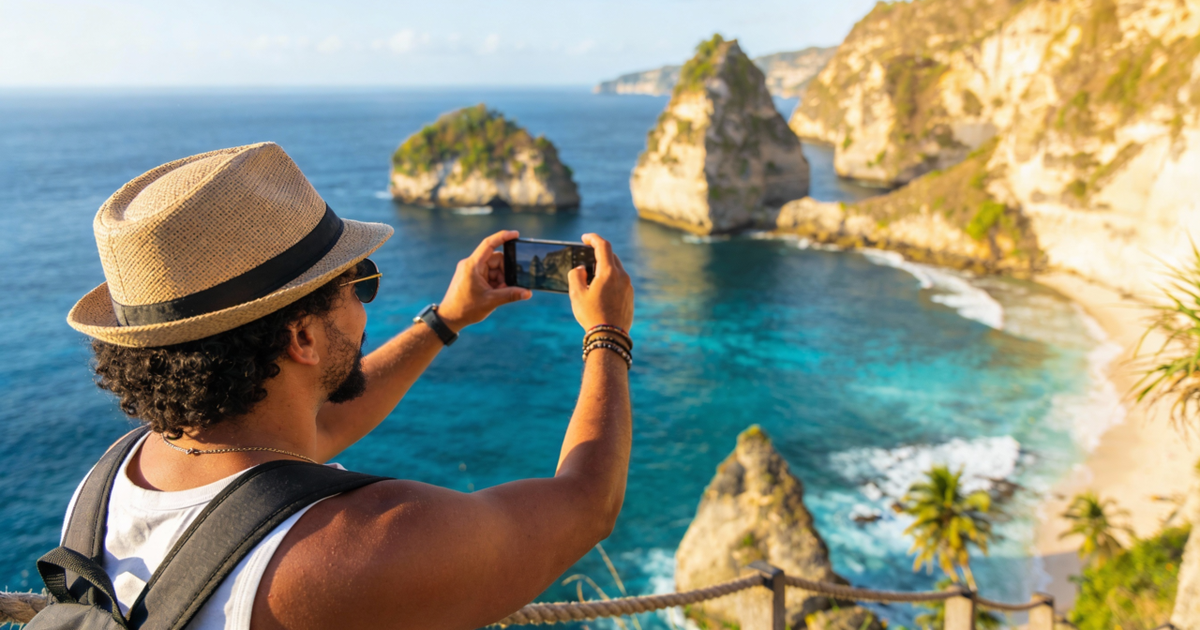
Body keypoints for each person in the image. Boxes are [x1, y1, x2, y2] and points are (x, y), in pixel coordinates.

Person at [60, 142, 635, 629]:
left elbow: (321, 426)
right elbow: (586, 507)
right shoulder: (356, 548)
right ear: (303, 338)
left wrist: (446, 320)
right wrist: (607, 333)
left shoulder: (113, 481)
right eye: (358, 283)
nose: (364, 309)